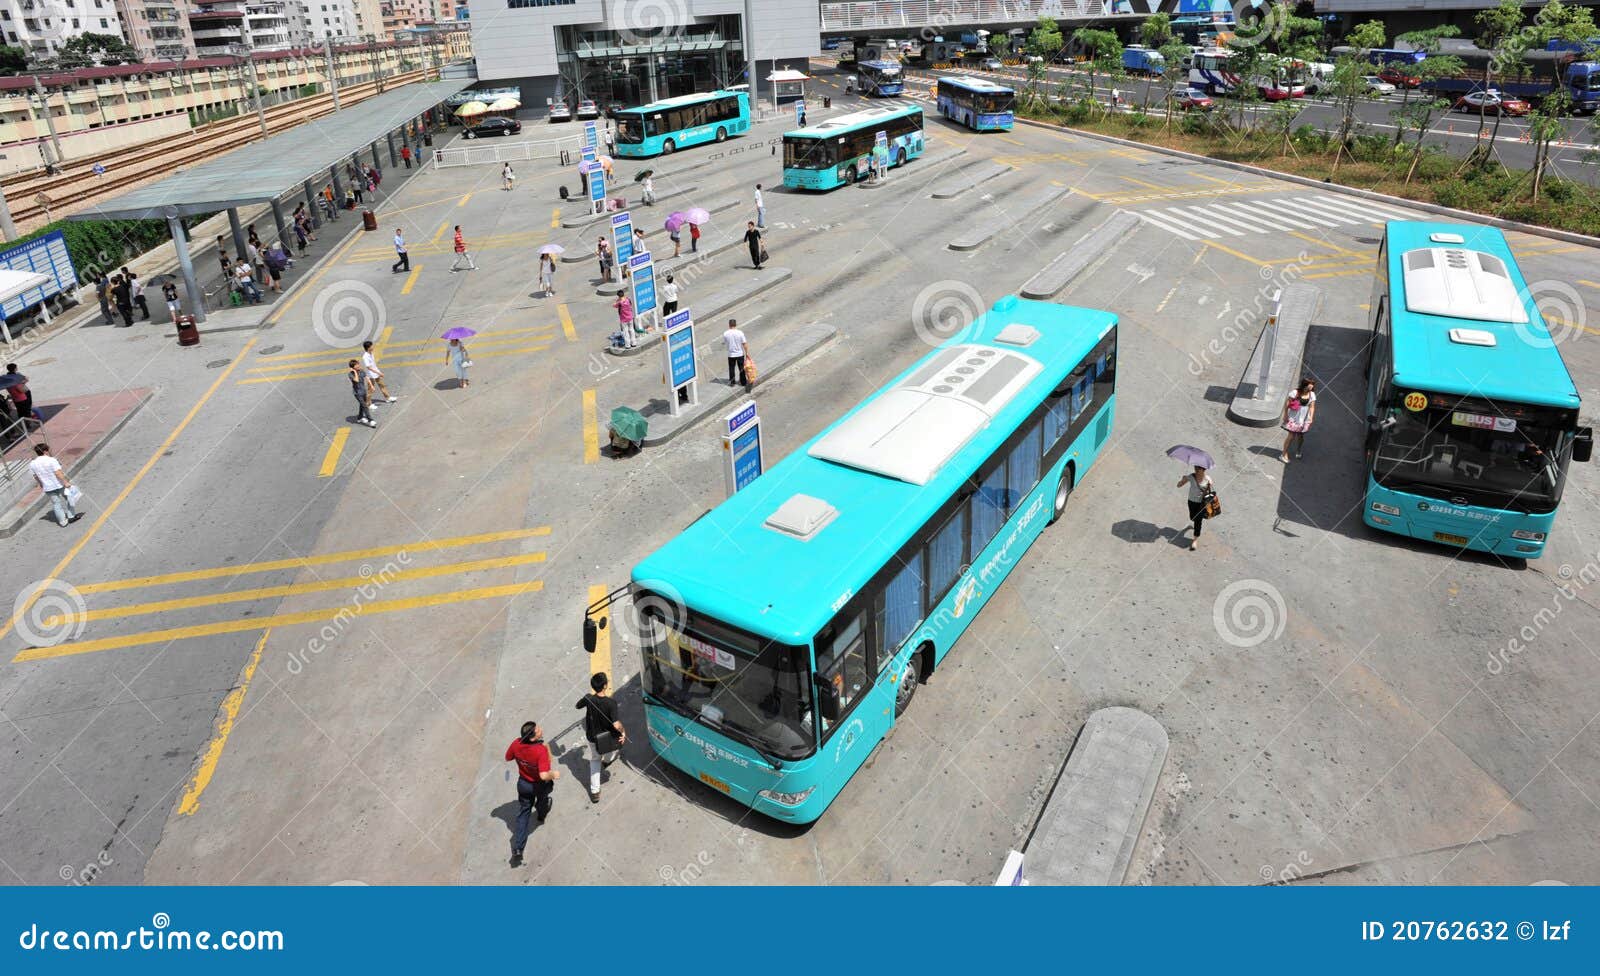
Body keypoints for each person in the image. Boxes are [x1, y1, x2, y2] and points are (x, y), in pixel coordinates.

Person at [504, 720, 559, 866]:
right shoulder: (540, 750)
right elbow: (543, 775)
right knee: (542, 799)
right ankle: (541, 814)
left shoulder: (516, 743)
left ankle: (518, 848)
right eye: (538, 729)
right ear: (533, 737)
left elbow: (508, 757)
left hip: (523, 784)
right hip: (538, 784)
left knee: (523, 814)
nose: (541, 729)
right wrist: (554, 774)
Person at [575, 673, 625, 803]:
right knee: (612, 750)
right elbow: (616, 724)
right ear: (605, 686)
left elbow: (577, 706)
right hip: (607, 737)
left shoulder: (589, 698)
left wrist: (586, 698)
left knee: (595, 758)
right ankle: (607, 761)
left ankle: (595, 791)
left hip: (593, 737)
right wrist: (624, 732)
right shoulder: (611, 703)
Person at [29, 444, 81, 526]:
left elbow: (35, 476)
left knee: (56, 504)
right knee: (69, 498)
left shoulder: (32, 463)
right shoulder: (51, 460)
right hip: (58, 484)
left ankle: (63, 522)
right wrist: (66, 482)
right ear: (45, 451)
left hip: (48, 487)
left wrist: (41, 484)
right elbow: (58, 473)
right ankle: (71, 516)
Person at [1177, 465, 1215, 552]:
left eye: (1198, 469)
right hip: (1191, 501)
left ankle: (1195, 540)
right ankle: (1189, 527)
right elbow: (1178, 485)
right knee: (1192, 518)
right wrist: (1182, 480)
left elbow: (1210, 492)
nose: (1196, 470)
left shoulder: (1208, 479)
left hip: (1202, 504)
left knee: (1198, 521)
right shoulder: (1191, 476)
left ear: (1203, 469)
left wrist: (1209, 486)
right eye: (1195, 468)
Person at [1280, 378, 1317, 462]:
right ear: (1305, 384)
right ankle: (1283, 454)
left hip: (1304, 418)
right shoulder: (1295, 392)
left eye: (1313, 384)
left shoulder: (1312, 394)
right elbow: (1287, 403)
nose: (1312, 386)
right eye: (1310, 384)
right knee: (1291, 436)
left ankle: (1298, 450)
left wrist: (1311, 417)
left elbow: (1312, 406)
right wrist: (1285, 414)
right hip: (1294, 417)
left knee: (1300, 436)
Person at [6, 364, 39, 429]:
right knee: (26, 411)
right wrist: (24, 382)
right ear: (15, 368)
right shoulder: (15, 379)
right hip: (22, 398)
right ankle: (28, 425)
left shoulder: (7, 380)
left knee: (20, 412)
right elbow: (21, 390)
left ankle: (24, 424)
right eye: (16, 367)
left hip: (15, 399)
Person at [347, 360, 376, 428]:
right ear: (353, 367)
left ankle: (360, 418)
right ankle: (371, 420)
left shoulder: (362, 371)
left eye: (358, 364)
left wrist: (371, 386)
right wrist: (355, 372)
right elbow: (356, 380)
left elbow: (367, 378)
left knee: (362, 405)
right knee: (365, 406)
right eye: (356, 365)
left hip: (363, 391)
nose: (358, 365)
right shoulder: (350, 374)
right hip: (357, 393)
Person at [724, 319, 750, 390]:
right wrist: (747, 353)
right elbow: (744, 344)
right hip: (739, 354)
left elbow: (726, 342)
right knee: (741, 368)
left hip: (731, 354)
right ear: (736, 324)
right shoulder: (740, 333)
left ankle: (732, 382)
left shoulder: (726, 333)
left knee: (731, 368)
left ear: (729, 325)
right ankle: (743, 382)